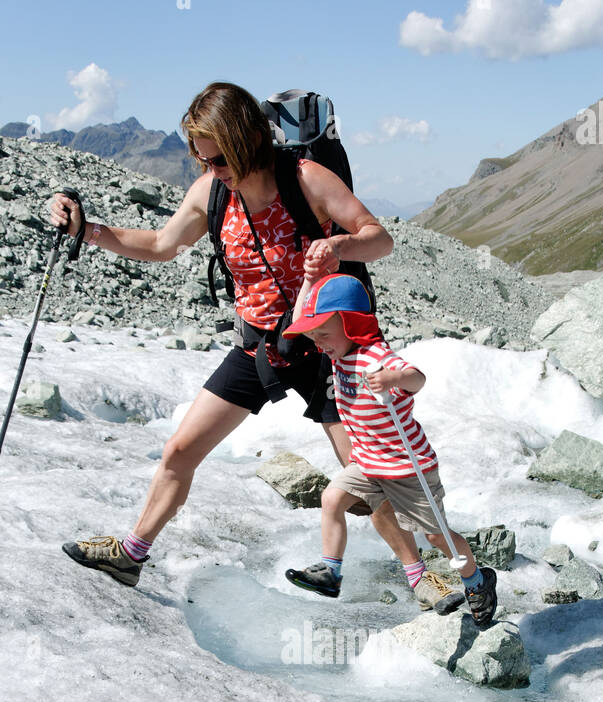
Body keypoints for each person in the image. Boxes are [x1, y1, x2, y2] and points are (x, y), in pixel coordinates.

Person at [47, 81, 431, 591]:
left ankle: (424, 577)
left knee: (365, 470)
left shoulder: (306, 178)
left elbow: (378, 239)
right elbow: (162, 244)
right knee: (180, 450)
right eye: (204, 160)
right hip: (260, 346)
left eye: (220, 158)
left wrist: (339, 245)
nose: (213, 170)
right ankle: (131, 553)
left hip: (328, 346)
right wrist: (87, 230)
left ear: (248, 139)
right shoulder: (211, 192)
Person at [283, 274, 498, 628]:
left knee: (435, 535)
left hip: (406, 467)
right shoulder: (338, 353)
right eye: (313, 337)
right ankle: (331, 572)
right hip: (368, 461)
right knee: (332, 498)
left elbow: (417, 378)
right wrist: (307, 280)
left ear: (351, 324)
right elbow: (298, 327)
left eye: (323, 335)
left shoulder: (376, 357)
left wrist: (393, 380)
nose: (318, 344)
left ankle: (477, 581)